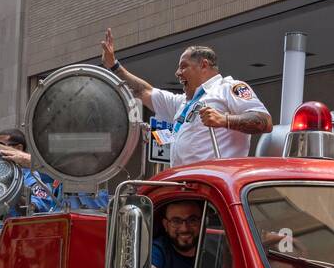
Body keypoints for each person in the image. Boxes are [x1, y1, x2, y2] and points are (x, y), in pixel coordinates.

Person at [102, 29, 272, 167]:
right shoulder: (182, 103)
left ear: (204, 65)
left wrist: (224, 120)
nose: (177, 73)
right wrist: (114, 66)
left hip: (213, 186)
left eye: (183, 67)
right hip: (183, 183)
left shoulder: (228, 88)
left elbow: (264, 121)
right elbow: (142, 91)